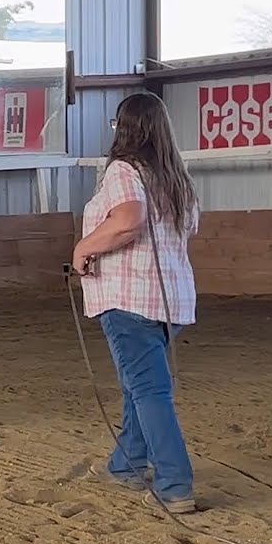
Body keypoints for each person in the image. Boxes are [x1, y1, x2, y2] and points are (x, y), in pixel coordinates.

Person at [72, 91, 201, 515]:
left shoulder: (124, 171)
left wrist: (84, 247)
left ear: (125, 128)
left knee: (149, 390)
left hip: (131, 299)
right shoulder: (176, 177)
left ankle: (175, 484)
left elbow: (128, 221)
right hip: (172, 302)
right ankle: (126, 465)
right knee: (139, 384)